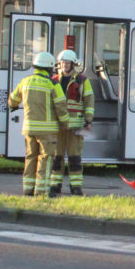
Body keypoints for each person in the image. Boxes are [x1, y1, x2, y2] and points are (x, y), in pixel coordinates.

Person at [7, 51, 69, 196]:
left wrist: (15, 105)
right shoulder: (53, 84)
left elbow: (12, 101)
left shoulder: (25, 81)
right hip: (47, 131)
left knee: (30, 158)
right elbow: (61, 106)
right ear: (49, 68)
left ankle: (27, 189)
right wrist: (65, 122)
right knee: (46, 160)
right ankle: (41, 191)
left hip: (29, 129)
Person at [50, 49, 94, 196]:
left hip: (75, 126)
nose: (64, 65)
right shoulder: (54, 80)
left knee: (74, 157)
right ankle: (55, 185)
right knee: (57, 157)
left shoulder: (82, 80)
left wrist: (88, 120)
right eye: (62, 62)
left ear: (73, 64)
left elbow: (89, 101)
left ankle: (76, 187)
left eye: (67, 62)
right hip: (59, 126)